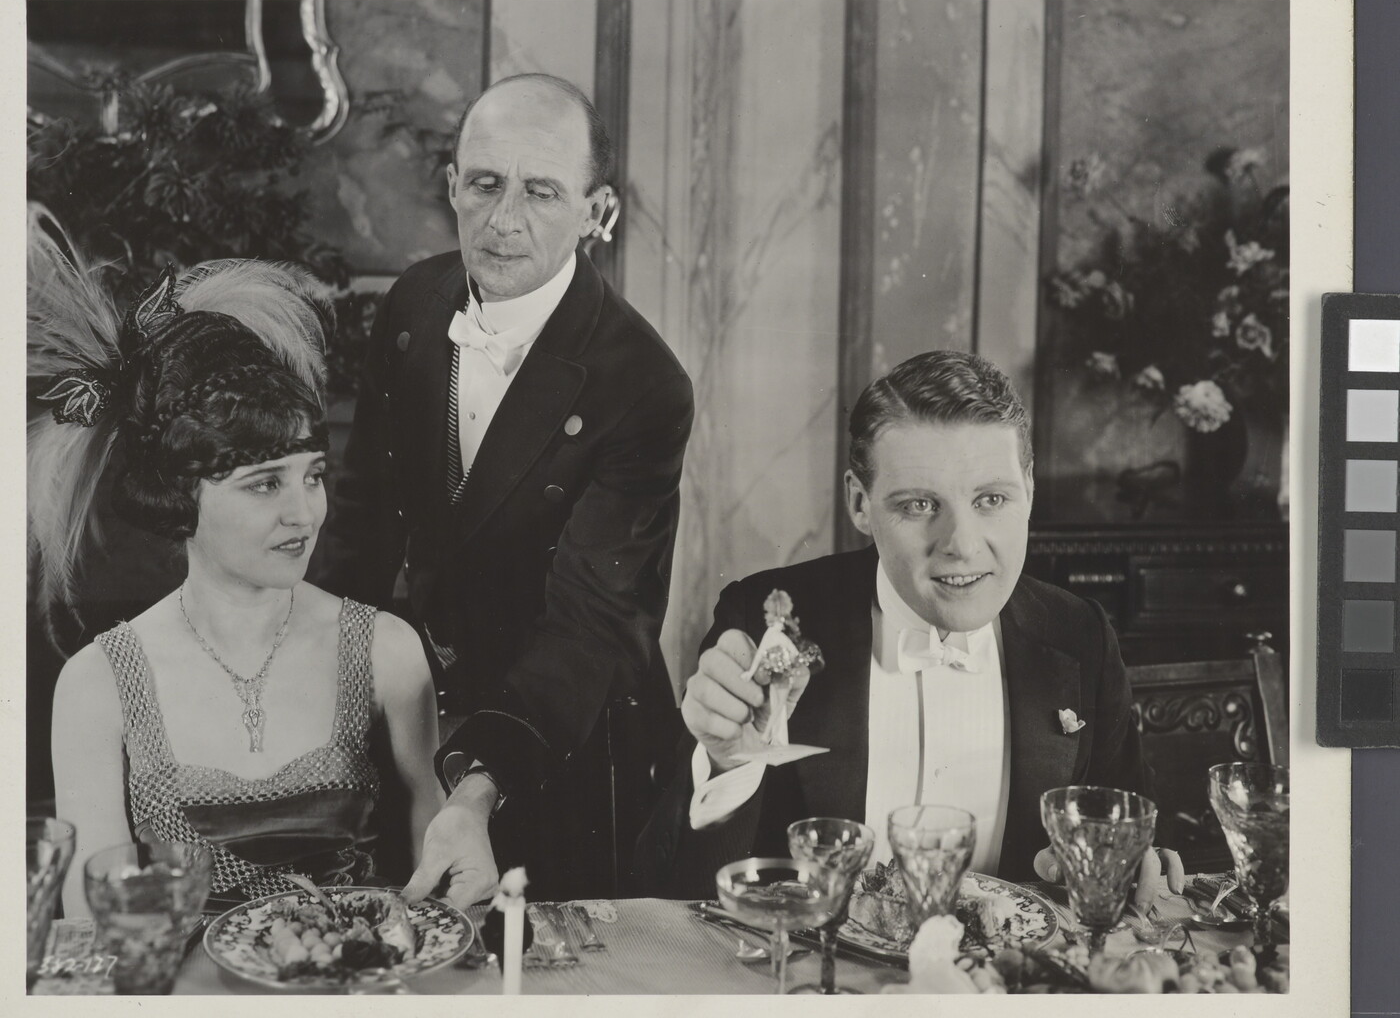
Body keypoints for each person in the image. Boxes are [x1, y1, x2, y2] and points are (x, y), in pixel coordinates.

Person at [310, 73, 693, 905]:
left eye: (542, 192)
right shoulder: (414, 304)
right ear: (453, 186)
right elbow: (361, 534)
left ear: (599, 213)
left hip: (567, 740)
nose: (503, 218)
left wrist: (478, 787)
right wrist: (305, 689)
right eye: (484, 184)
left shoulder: (646, 386)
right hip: (419, 720)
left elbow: (592, 625)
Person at [637, 350, 1182, 903]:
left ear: (1030, 491)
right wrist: (730, 764)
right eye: (920, 505)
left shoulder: (1079, 635)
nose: (962, 546)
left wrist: (1132, 863)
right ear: (859, 503)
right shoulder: (764, 624)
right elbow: (673, 896)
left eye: (991, 499)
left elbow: (1123, 837)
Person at [29, 208, 443, 918]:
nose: (303, 513)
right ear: (181, 494)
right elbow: (97, 926)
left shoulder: (388, 651)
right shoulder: (97, 683)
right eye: (263, 484)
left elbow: (441, 867)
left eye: (311, 475)